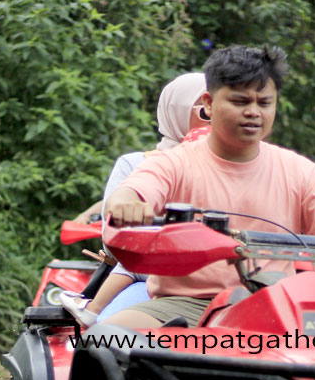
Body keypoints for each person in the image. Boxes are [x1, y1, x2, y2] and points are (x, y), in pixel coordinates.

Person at [104, 44, 315, 329]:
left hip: (279, 308)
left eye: (264, 102)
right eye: (240, 101)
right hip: (187, 306)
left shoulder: (300, 171)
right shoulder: (174, 162)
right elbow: (135, 190)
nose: (254, 112)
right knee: (105, 339)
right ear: (208, 104)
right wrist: (126, 203)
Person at [62, 73, 211, 326]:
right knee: (106, 340)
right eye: (205, 110)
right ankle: (95, 316)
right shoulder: (138, 164)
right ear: (176, 111)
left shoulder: (237, 166)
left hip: (221, 281)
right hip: (151, 279)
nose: (215, 116)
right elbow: (114, 244)